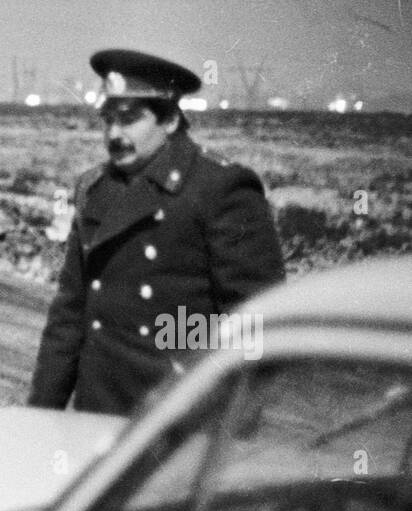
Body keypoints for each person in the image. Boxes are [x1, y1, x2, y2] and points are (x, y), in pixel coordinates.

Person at [28, 49, 285, 415]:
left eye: (129, 119)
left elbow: (256, 318)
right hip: (98, 409)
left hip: (179, 414)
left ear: (170, 120)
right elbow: (69, 316)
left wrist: (234, 421)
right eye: (108, 120)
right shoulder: (93, 190)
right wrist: (40, 414)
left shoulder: (219, 188)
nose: (114, 134)